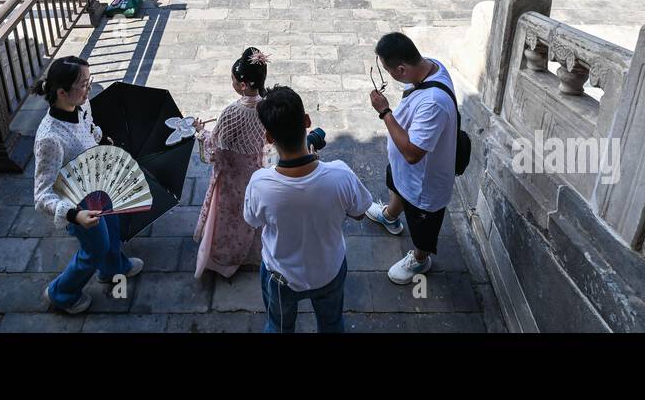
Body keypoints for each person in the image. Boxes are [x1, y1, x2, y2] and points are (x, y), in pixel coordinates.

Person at [243, 86, 373, 333]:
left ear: (269, 137)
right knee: (332, 324)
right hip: (328, 271)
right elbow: (359, 213)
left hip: (281, 277)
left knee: (278, 326)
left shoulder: (260, 183)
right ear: (307, 121)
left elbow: (252, 220)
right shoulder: (340, 174)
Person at [34, 55, 144, 314]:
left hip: (99, 182)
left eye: (89, 81)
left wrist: (102, 138)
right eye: (83, 84)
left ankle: (113, 268)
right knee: (94, 249)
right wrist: (75, 215)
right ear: (62, 92)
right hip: (78, 202)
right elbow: (41, 195)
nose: (89, 88)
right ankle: (61, 293)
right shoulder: (49, 138)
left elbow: (88, 129)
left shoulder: (81, 106)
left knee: (113, 229)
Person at [365, 32, 458, 285]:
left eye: (388, 71)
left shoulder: (434, 102)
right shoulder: (428, 66)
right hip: (403, 171)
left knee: (422, 229)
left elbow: (413, 154)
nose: (388, 76)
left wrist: (384, 111)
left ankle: (420, 259)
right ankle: (390, 216)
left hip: (423, 183)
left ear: (402, 68)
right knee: (395, 185)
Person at [191, 48, 271, 279]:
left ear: (244, 84)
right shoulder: (267, 104)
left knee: (229, 217)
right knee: (250, 216)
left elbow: (214, 152)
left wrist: (201, 132)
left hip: (232, 177)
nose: (233, 82)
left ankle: (223, 260)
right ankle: (252, 253)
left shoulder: (233, 112)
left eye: (234, 79)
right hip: (256, 171)